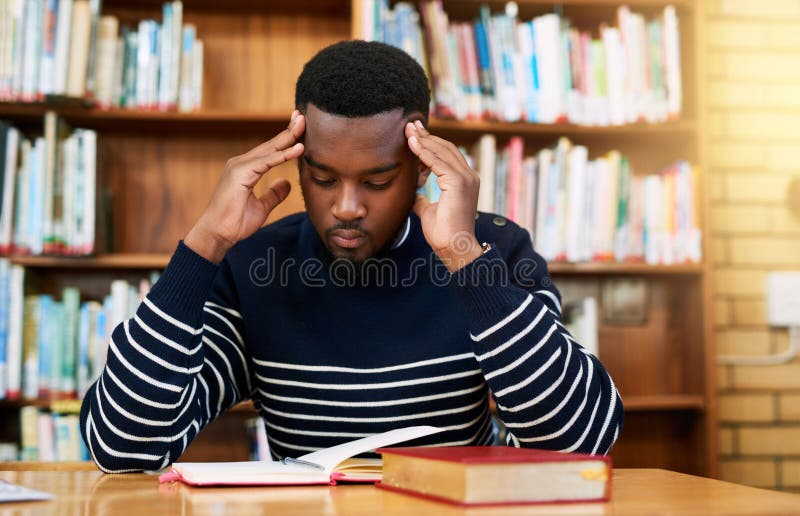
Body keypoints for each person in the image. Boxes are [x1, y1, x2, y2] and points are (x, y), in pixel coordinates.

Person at [79, 40, 623, 473]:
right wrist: (205, 245)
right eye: (322, 178)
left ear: (421, 166)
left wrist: (464, 258)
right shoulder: (253, 266)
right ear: (298, 163)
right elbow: (123, 446)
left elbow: (579, 442)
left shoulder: (490, 251)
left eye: (377, 181)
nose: (346, 207)